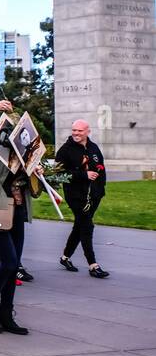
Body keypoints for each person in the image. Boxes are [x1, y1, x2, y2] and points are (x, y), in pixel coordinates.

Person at [0, 99, 39, 335]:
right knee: (9, 262)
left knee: (12, 267)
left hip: (18, 209)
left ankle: (6, 314)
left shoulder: (24, 154)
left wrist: (35, 169)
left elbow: (31, 185)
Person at [56, 119, 109, 278]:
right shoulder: (65, 151)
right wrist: (83, 175)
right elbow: (58, 176)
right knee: (87, 226)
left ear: (87, 131)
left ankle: (65, 258)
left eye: (79, 131)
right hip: (75, 196)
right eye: (74, 130)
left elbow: (101, 169)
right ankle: (93, 265)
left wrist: (100, 190)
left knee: (80, 226)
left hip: (93, 196)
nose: (76, 133)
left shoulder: (94, 148)